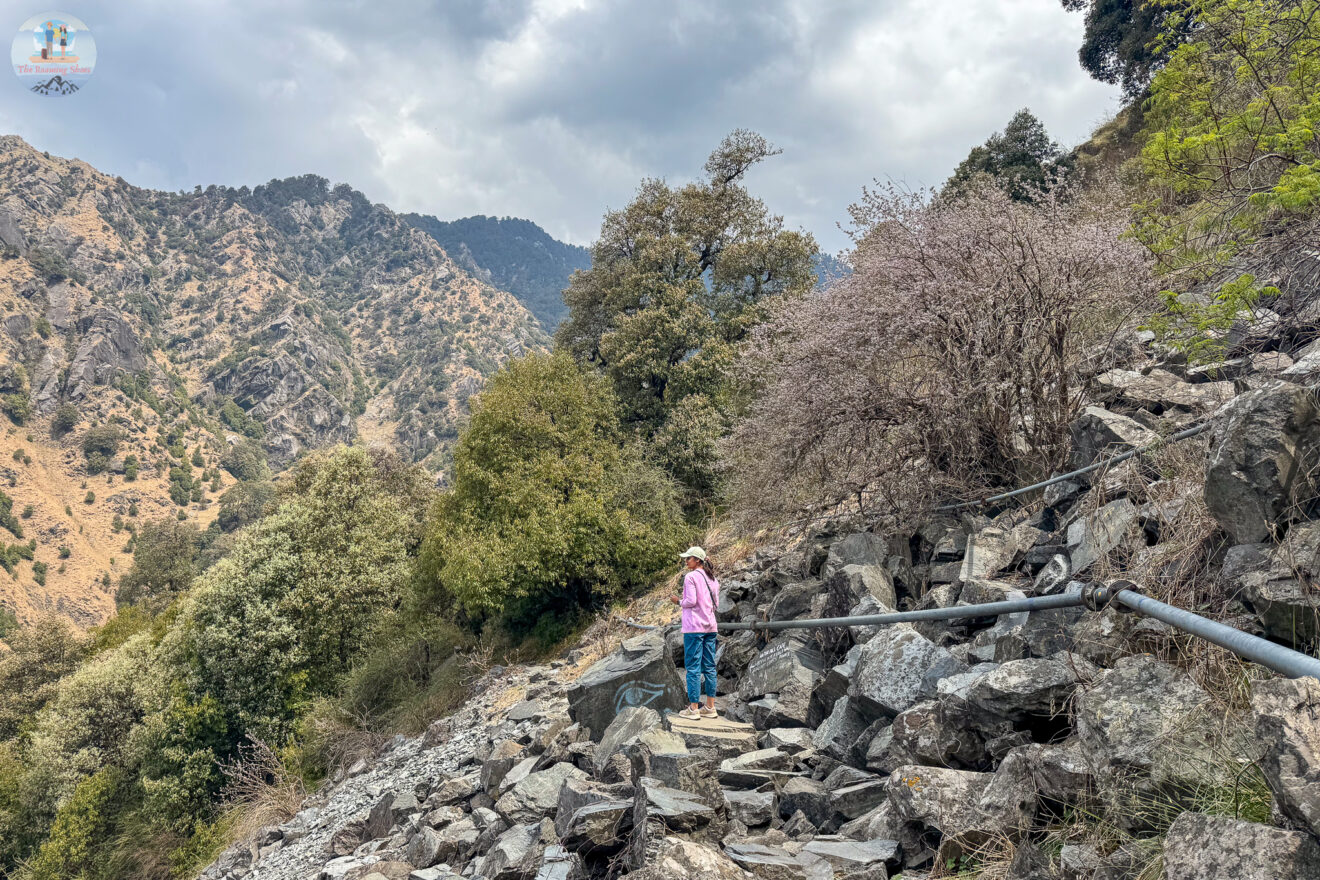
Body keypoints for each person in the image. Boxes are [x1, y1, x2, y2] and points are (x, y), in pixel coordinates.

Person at [669, 545, 719, 720]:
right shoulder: (712, 578)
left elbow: (690, 601)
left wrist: (678, 601)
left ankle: (693, 708)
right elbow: (716, 604)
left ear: (697, 560)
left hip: (694, 628)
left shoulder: (690, 577)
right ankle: (710, 707)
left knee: (693, 668)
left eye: (688, 558)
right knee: (710, 667)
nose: (686, 561)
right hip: (710, 627)